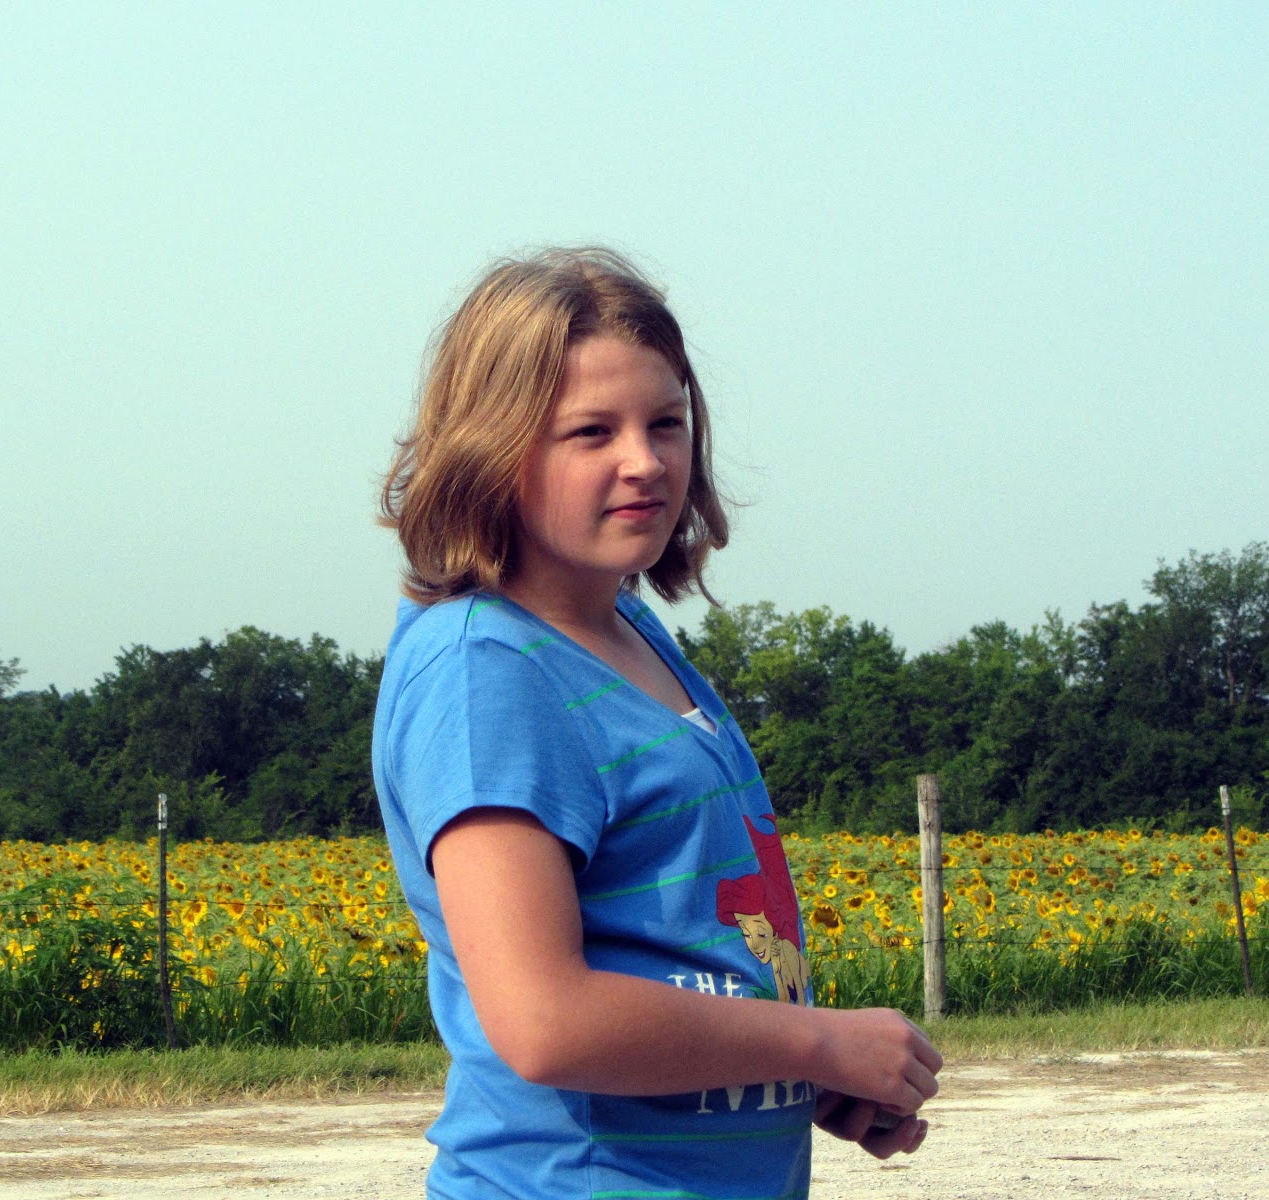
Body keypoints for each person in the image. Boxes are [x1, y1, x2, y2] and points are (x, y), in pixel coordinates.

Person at [372, 247, 941, 1199]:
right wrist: (818, 1037)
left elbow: (678, 959)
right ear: (490, 448)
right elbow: (544, 1020)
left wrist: (799, 1077)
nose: (644, 460)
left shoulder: (626, 628)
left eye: (666, 422)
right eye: (590, 432)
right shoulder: (486, 674)